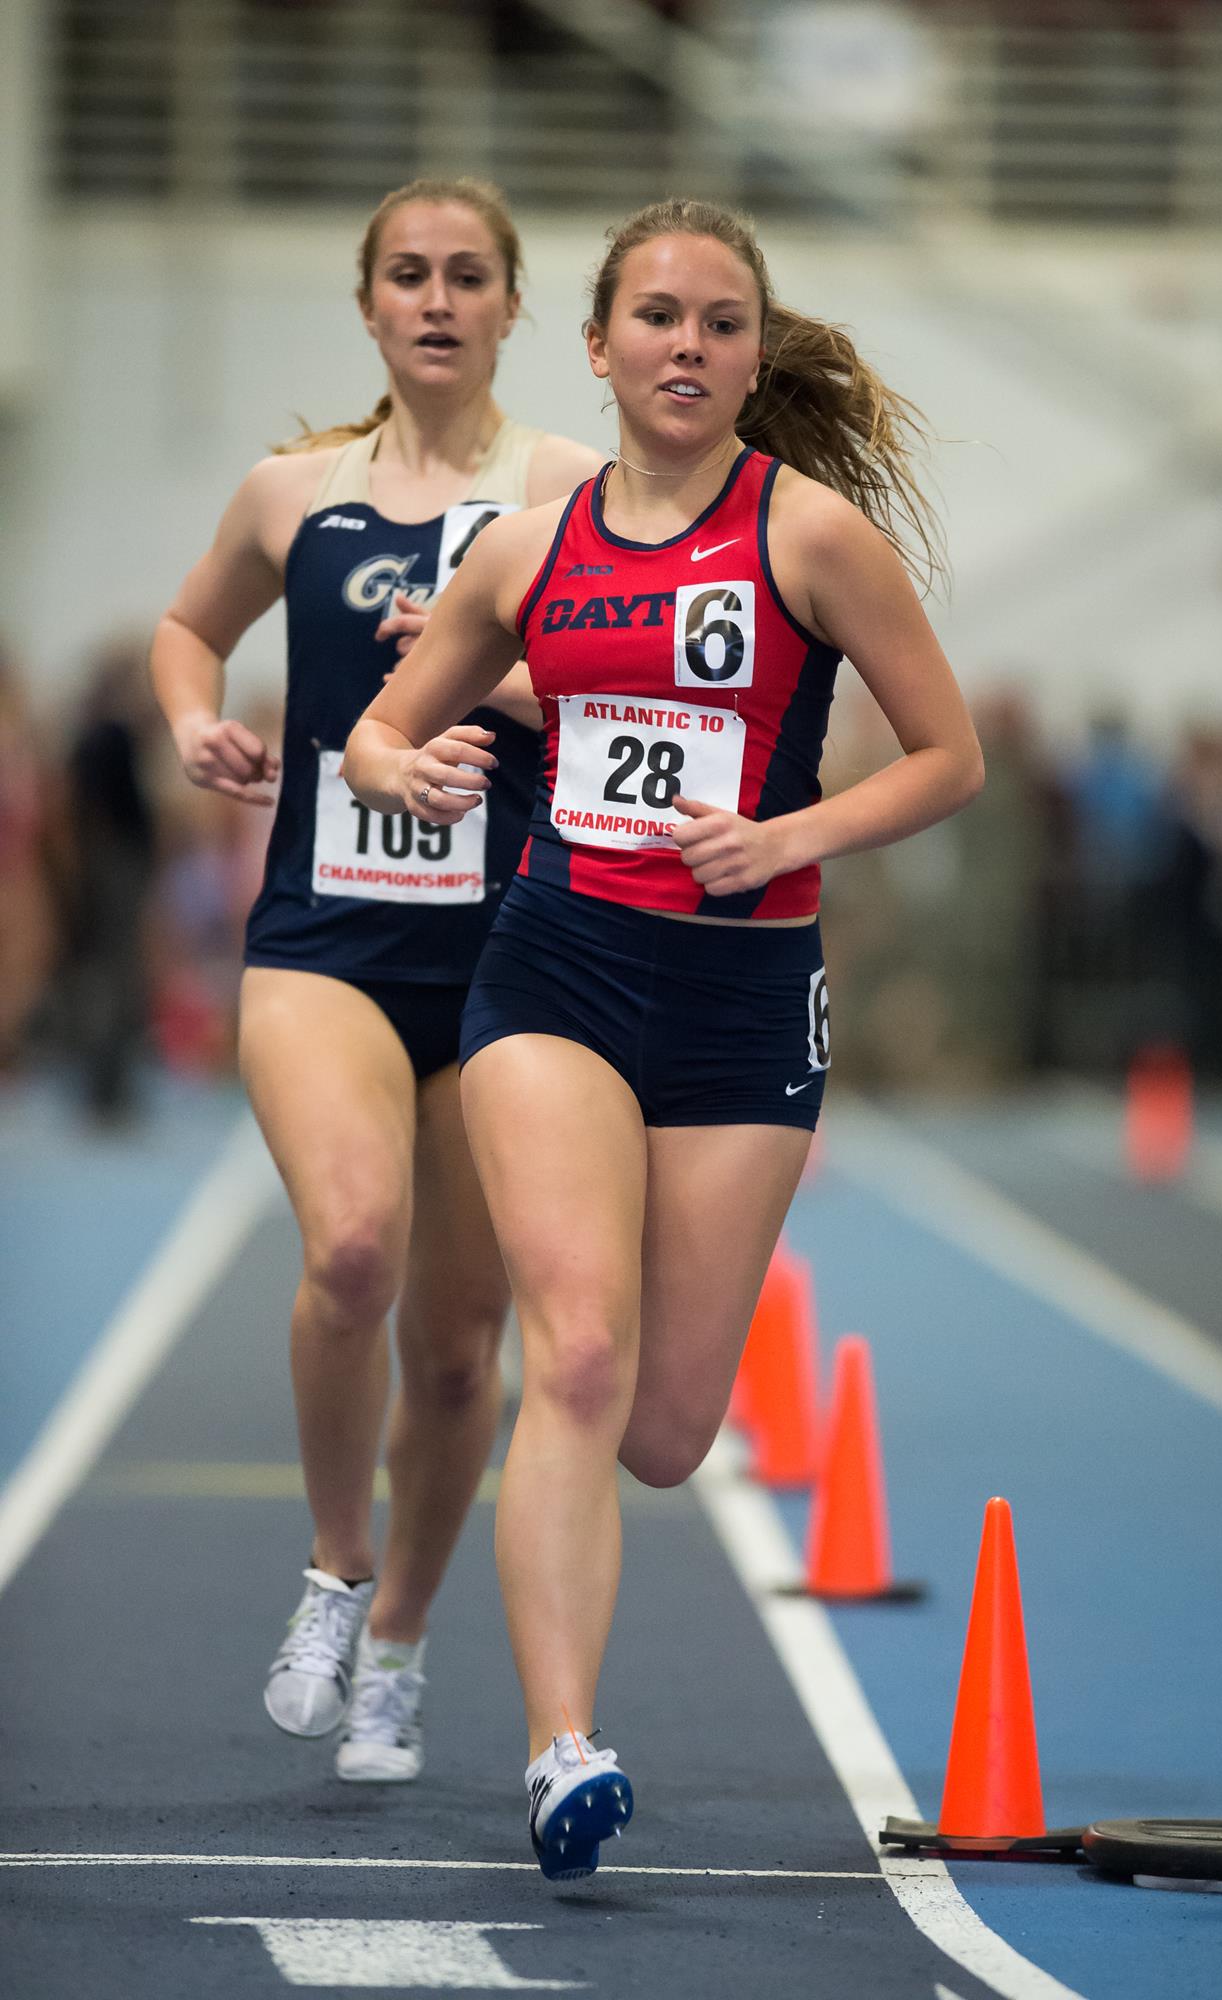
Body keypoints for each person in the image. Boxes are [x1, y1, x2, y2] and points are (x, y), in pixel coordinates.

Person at [343, 197, 983, 1876]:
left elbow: (951, 757)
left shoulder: (814, 536)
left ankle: (550, 1671)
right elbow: (373, 731)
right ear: (601, 345)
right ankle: (564, 1750)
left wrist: (794, 838)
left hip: (745, 993)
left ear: (753, 354)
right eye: (656, 316)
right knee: (579, 1350)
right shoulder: (530, 547)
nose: (685, 346)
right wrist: (400, 759)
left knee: (669, 1427)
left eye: (717, 321)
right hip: (557, 969)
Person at [149, 177, 603, 1783]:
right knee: (352, 1249)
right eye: (406, 273)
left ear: (509, 307)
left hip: (508, 955)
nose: (435, 298)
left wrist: (482, 659)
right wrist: (195, 714)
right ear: (366, 306)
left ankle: (403, 1637)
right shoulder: (293, 494)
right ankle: (335, 1575)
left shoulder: (567, 491)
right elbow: (187, 628)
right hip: (325, 941)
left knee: (464, 1341)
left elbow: (627, 677)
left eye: (467, 275)